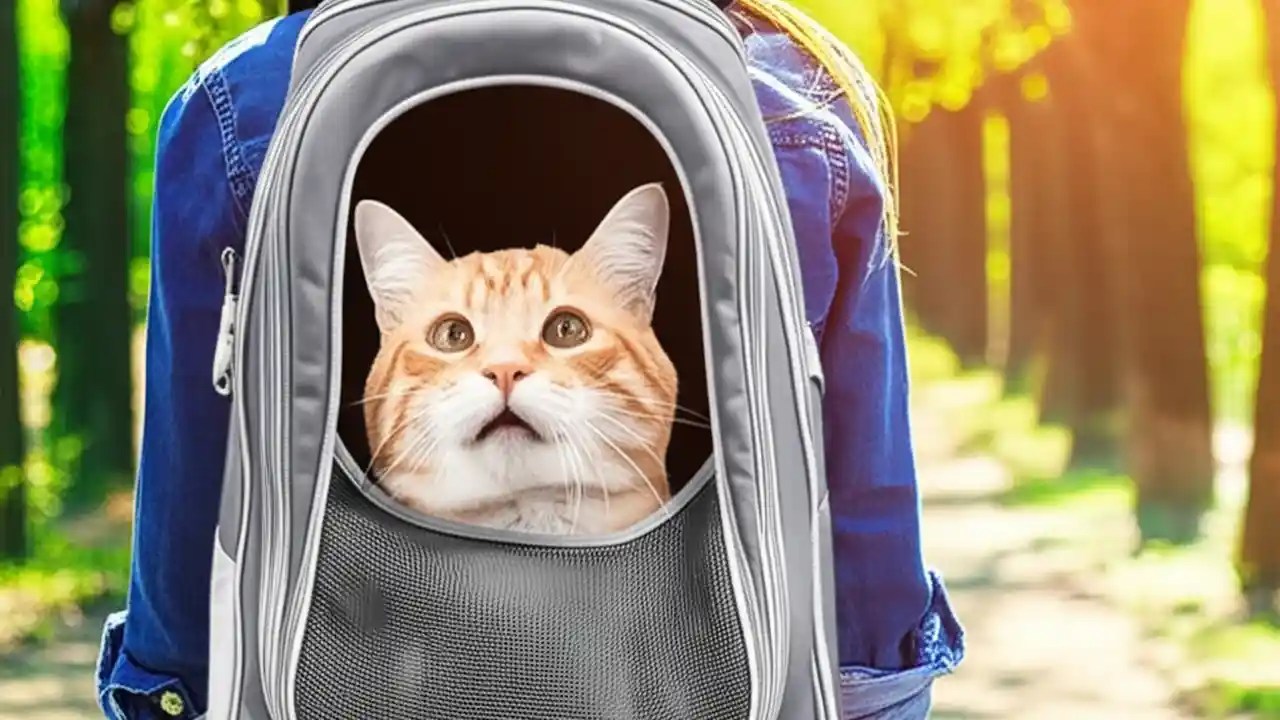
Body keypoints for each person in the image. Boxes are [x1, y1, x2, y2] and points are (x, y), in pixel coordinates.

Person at [94, 1, 963, 717]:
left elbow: (181, 619)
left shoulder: (243, 103)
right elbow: (871, 611)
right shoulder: (794, 102)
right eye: (457, 338)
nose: (507, 370)